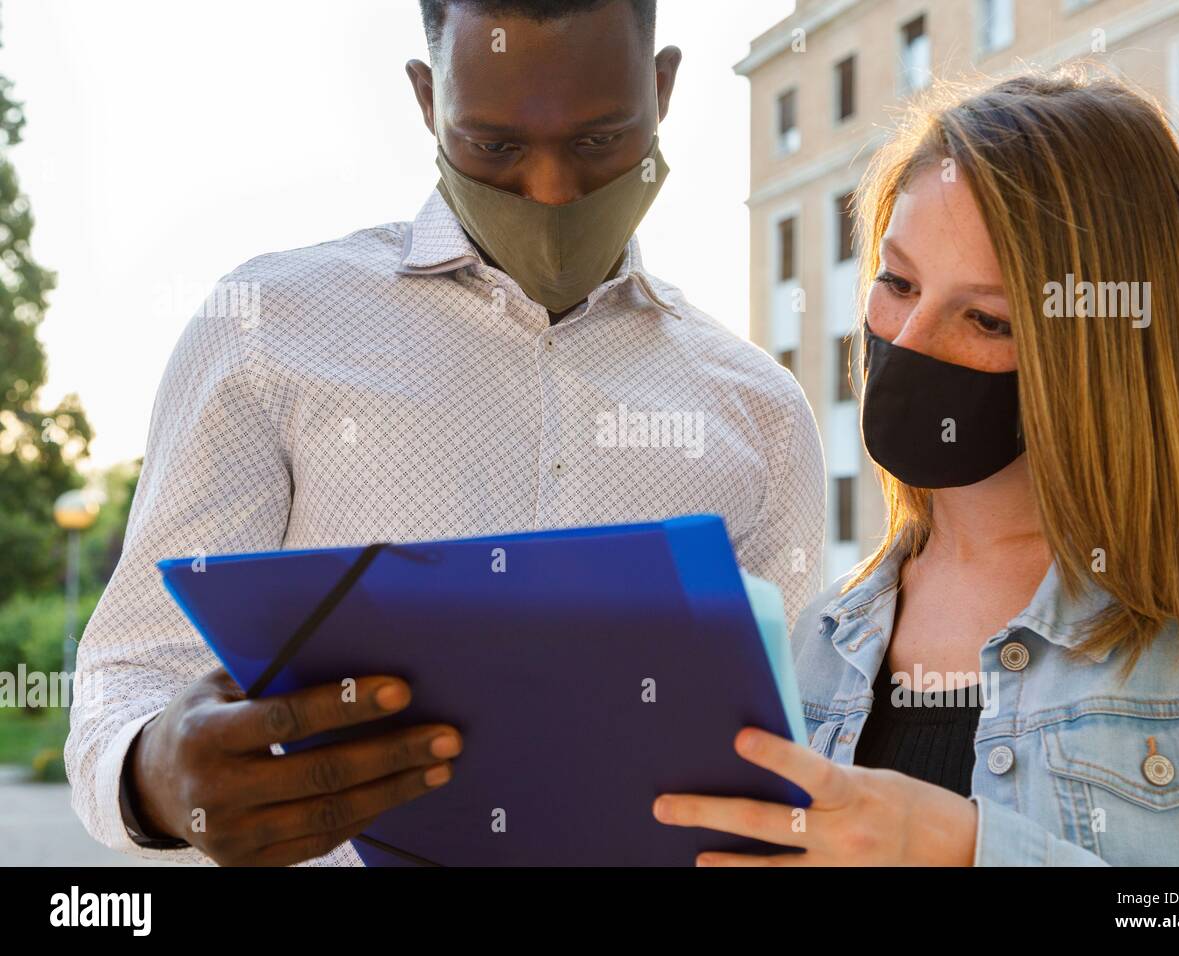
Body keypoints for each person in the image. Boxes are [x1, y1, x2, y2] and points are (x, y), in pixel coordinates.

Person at [67, 0, 825, 867]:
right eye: (494, 146)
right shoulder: (266, 333)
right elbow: (129, 676)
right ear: (429, 102)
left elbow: (794, 754)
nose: (551, 193)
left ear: (662, 90)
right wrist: (154, 776)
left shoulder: (759, 412)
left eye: (599, 141)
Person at [653, 69, 1179, 866]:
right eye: (896, 282)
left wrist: (970, 854)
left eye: (986, 318)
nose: (909, 339)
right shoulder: (820, 639)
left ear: (1102, 349)